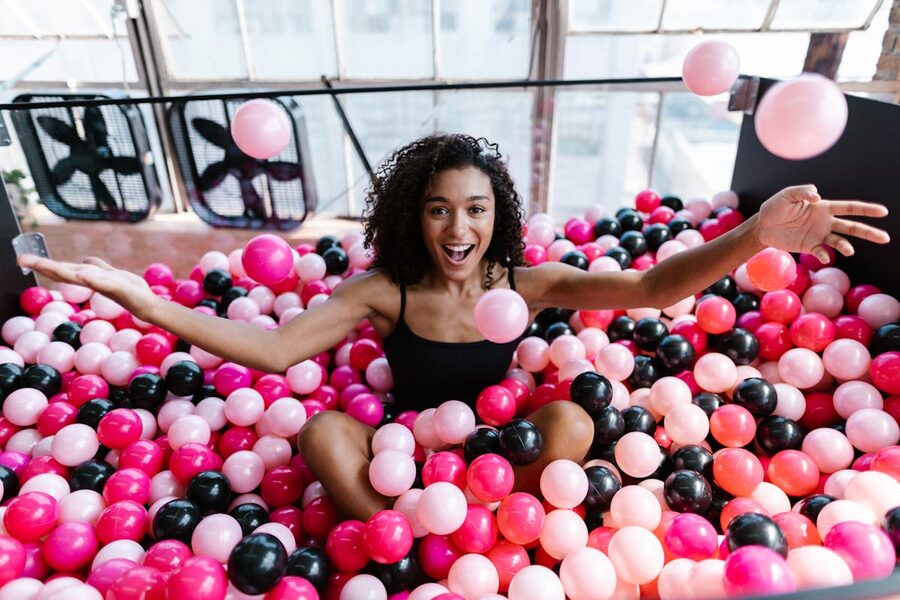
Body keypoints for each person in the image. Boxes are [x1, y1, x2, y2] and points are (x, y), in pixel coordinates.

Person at [19, 133, 890, 521]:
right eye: (438, 210)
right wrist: (138, 298)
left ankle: (474, 529)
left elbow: (655, 285)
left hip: (500, 454)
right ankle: (402, 560)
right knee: (321, 429)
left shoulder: (532, 279)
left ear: (496, 215)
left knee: (576, 420)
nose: (457, 228)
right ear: (414, 219)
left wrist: (754, 235)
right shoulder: (386, 292)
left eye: (474, 207)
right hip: (405, 452)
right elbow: (275, 348)